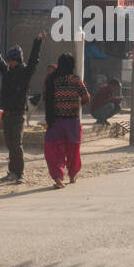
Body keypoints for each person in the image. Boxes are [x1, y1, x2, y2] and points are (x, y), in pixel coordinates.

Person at [0, 31, 45, 184]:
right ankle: (12, 171)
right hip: (6, 113)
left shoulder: (26, 72)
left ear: (18, 60)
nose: (10, 62)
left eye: (12, 60)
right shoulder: (7, 71)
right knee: (9, 143)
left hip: (19, 114)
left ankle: (19, 173)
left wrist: (38, 41)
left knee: (16, 144)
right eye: (9, 60)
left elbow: (34, 59)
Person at [42, 53, 91, 189]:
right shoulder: (76, 80)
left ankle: (58, 178)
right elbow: (86, 97)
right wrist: (78, 105)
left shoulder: (52, 80)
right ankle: (73, 175)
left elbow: (45, 99)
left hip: (55, 121)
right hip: (72, 122)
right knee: (73, 150)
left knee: (53, 149)